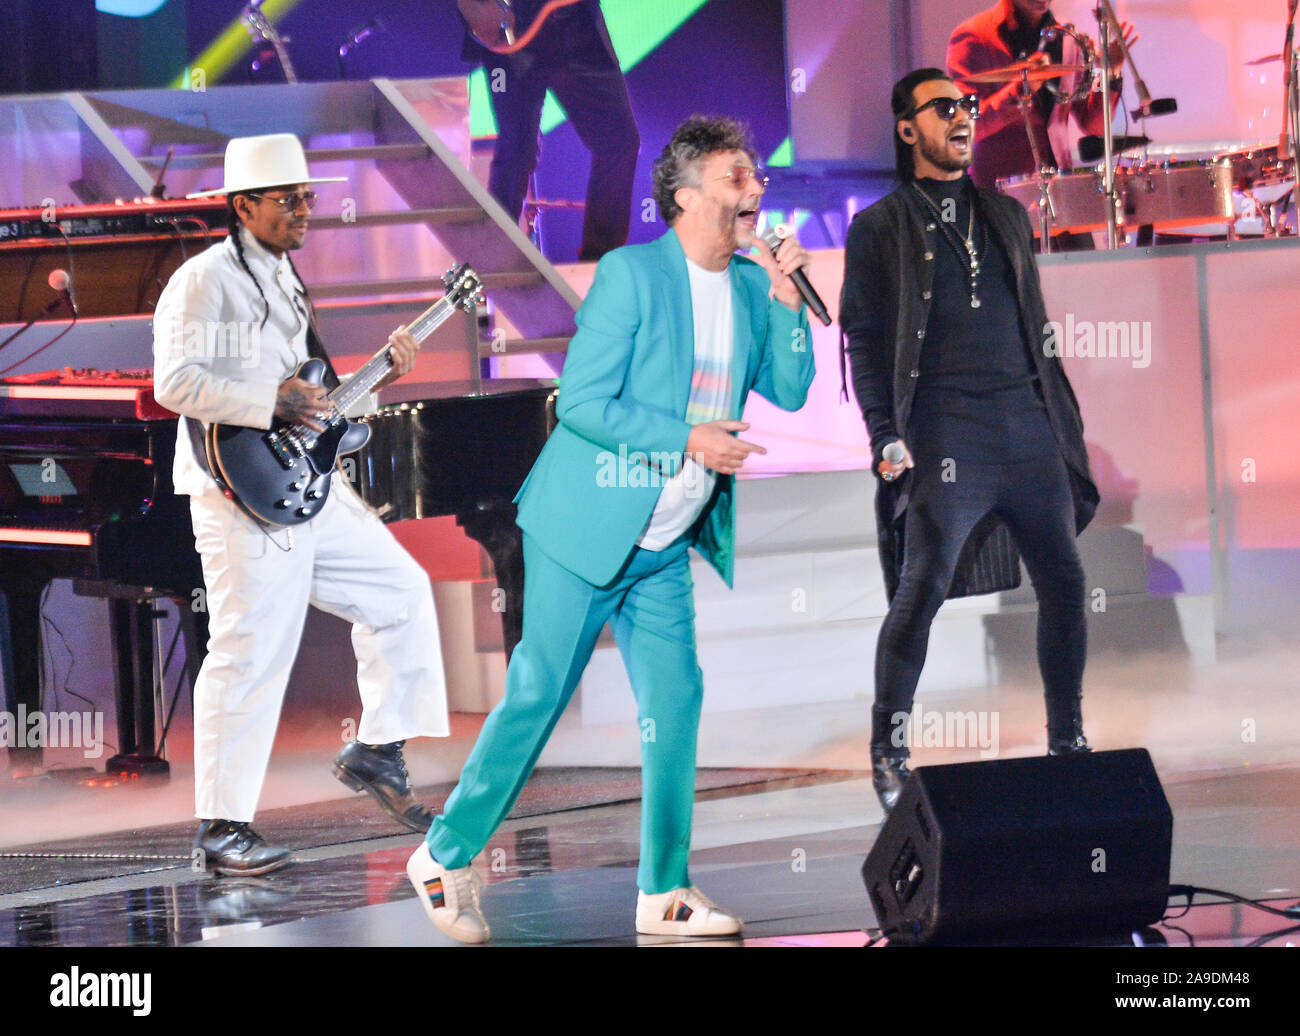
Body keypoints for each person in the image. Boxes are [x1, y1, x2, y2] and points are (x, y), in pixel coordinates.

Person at [406, 115, 815, 942]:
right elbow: (585, 404)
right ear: (686, 196)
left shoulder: (746, 284)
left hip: (663, 543)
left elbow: (795, 387)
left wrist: (785, 301)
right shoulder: (632, 275)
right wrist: (688, 437)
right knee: (540, 693)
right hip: (584, 528)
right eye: (738, 178)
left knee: (676, 701)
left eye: (757, 178)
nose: (756, 192)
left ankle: (664, 891)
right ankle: (444, 856)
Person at [153, 134, 450, 875]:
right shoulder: (201, 280)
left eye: (308, 196)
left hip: (304, 485)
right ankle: (222, 828)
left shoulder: (287, 279)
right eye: (290, 198)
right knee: (250, 653)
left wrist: (378, 379)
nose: (306, 209)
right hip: (237, 490)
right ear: (244, 204)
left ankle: (378, 750)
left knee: (403, 592)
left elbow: (319, 404)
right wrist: (269, 401)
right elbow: (174, 384)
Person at [839, 69, 1100, 816]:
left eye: (968, 106)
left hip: (1024, 425)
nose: (962, 117)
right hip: (947, 433)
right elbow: (862, 338)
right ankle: (889, 751)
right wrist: (885, 434)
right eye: (944, 107)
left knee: (1067, 581)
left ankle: (1068, 741)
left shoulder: (1006, 215)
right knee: (920, 590)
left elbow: (1036, 326)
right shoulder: (879, 228)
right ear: (906, 128)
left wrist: (1059, 426)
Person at [454, 0, 640, 261]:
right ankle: (493, 261)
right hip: (508, 29)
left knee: (620, 142)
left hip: (579, 33)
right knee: (518, 149)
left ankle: (599, 263)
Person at [947, 0, 1135, 191]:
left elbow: (1093, 125)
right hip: (999, 192)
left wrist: (1110, 74)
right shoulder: (975, 35)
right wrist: (1021, 90)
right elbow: (965, 125)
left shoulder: (1068, 37)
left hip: (1058, 186)